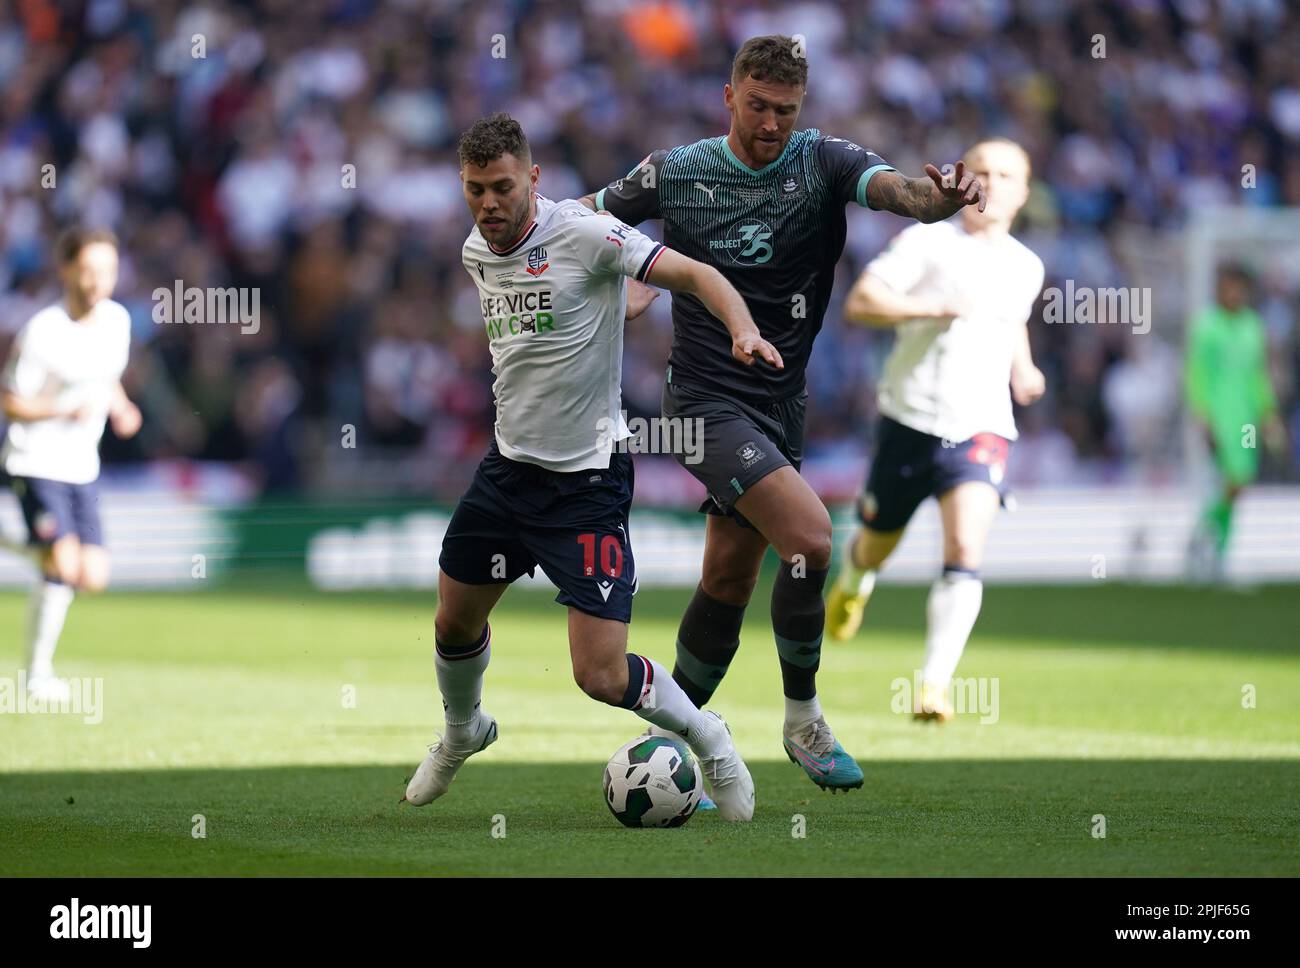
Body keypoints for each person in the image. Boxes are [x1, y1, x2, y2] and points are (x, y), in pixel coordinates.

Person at [579, 35, 985, 788]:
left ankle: (663, 751)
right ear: (729, 97)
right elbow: (583, 220)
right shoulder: (680, 171)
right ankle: (804, 720)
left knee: (730, 577)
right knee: (810, 541)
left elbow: (900, 191)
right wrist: (616, 278)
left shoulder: (823, 161)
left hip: (781, 401)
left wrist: (939, 201)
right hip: (702, 400)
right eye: (758, 106)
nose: (770, 124)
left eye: (785, 111)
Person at [404, 114, 783, 821]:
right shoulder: (474, 251)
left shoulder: (583, 232)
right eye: (475, 189)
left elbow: (693, 272)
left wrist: (743, 328)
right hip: (508, 472)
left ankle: (712, 740)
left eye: (503, 187)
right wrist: (620, 301)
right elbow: (569, 311)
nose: (488, 204)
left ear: (535, 178)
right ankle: (464, 732)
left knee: (601, 675)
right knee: (453, 621)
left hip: (586, 485)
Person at [824, 138, 1046, 722]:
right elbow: (863, 302)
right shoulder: (927, 240)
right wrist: (933, 307)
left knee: (966, 548)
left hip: (982, 424)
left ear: (1023, 192)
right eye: (981, 171)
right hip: (910, 418)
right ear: (959, 179)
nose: (991, 183)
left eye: (1005, 174)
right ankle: (855, 577)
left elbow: (1010, 323)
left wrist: (1022, 367)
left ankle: (933, 686)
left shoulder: (1026, 264)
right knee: (876, 546)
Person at [2, 228, 141, 701]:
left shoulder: (118, 321)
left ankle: (18, 540)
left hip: (83, 466)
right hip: (35, 460)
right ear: (66, 270)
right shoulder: (43, 330)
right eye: (88, 270)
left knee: (92, 576)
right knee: (61, 563)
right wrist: (62, 410)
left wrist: (121, 407)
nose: (98, 280)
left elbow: (106, 379)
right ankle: (37, 674)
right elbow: (11, 403)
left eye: (107, 270)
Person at [1184, 263, 1287, 582]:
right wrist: (1202, 413)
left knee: (1239, 482)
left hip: (1246, 418)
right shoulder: (1207, 326)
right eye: (1229, 287)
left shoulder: (1252, 326)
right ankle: (1214, 550)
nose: (1234, 293)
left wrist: (1268, 412)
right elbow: (1197, 373)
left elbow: (1258, 376)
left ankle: (1208, 540)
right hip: (1220, 415)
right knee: (1232, 478)